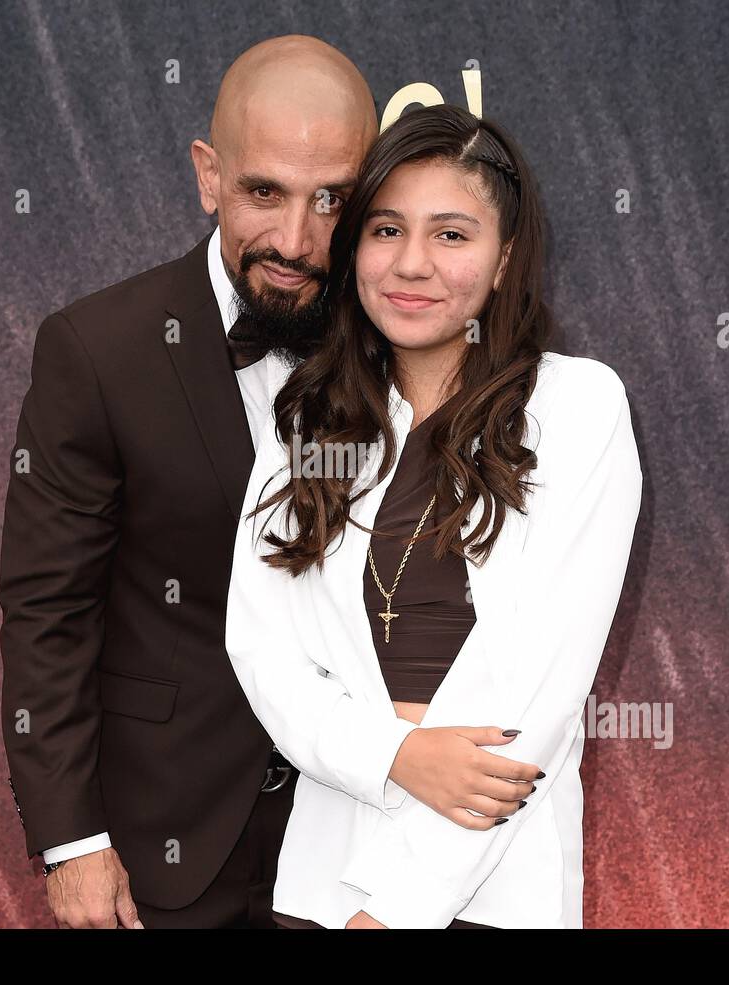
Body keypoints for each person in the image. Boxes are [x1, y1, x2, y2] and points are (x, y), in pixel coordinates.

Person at [0, 36, 524, 929]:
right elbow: (49, 611)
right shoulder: (100, 350)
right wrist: (72, 842)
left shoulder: (414, 335)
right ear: (210, 175)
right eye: (262, 192)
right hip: (168, 837)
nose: (295, 239)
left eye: (333, 202)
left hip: (365, 838)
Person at [225, 104, 644, 929]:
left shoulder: (575, 407)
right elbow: (262, 646)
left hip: (490, 882)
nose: (411, 264)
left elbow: (540, 685)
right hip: (321, 880)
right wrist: (397, 754)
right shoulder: (309, 415)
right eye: (385, 230)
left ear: (505, 258)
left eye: (452, 235)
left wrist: (399, 909)